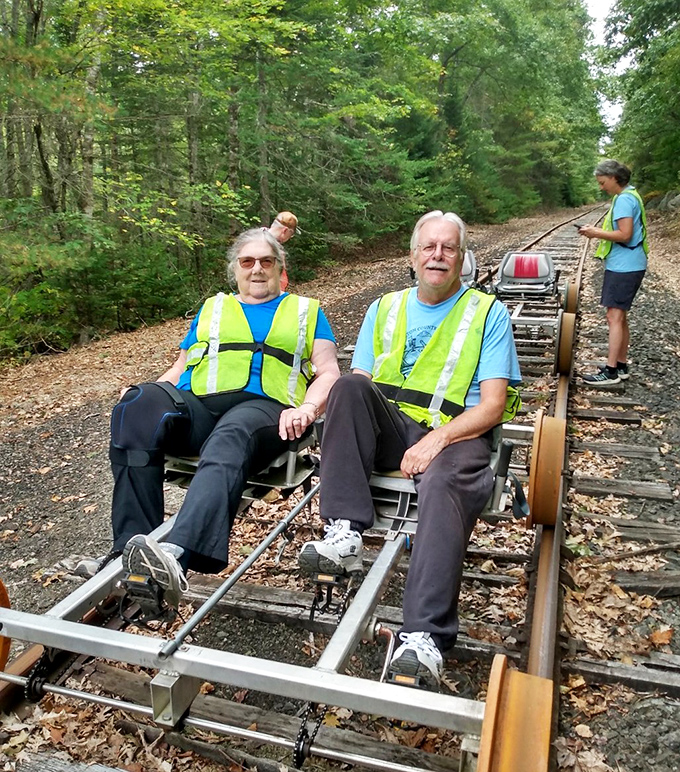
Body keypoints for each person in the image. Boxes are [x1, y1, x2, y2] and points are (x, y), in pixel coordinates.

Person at [298, 210, 522, 690]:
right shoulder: (385, 307)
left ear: (462, 259)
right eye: (429, 247)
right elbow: (360, 382)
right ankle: (345, 533)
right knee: (346, 389)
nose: (437, 255)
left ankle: (424, 637)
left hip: (454, 433)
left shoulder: (487, 312)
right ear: (413, 256)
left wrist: (437, 439)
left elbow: (494, 405)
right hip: (393, 430)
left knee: (444, 482)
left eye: (448, 248)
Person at [105, 228, 340, 610]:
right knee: (137, 406)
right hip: (200, 405)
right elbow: (180, 365)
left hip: (266, 409)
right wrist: (143, 393)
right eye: (248, 261)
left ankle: (178, 553)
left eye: (267, 261)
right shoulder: (213, 308)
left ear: (280, 268)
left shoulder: (306, 311)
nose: (257, 269)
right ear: (236, 269)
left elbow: (329, 372)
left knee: (232, 433)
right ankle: (133, 546)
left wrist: (308, 409)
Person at [578, 160, 648, 387]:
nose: (601, 187)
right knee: (620, 316)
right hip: (629, 264)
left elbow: (625, 234)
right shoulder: (630, 195)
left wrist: (594, 232)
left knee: (614, 317)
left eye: (603, 182)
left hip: (624, 266)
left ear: (614, 178)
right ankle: (620, 364)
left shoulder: (625, 200)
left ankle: (611, 372)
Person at [268, 211, 298, 292]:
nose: (289, 238)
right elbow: (280, 280)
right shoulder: (275, 249)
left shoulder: (251, 237)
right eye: (290, 235)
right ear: (284, 231)